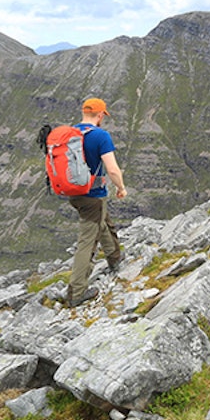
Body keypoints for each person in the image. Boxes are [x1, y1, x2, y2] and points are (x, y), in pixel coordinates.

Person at [65, 97, 126, 307]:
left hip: (74, 193)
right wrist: (120, 187)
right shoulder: (100, 136)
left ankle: (114, 257)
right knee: (88, 242)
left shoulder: (70, 134)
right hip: (93, 194)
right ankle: (77, 292)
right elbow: (112, 169)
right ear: (100, 115)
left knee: (103, 220)